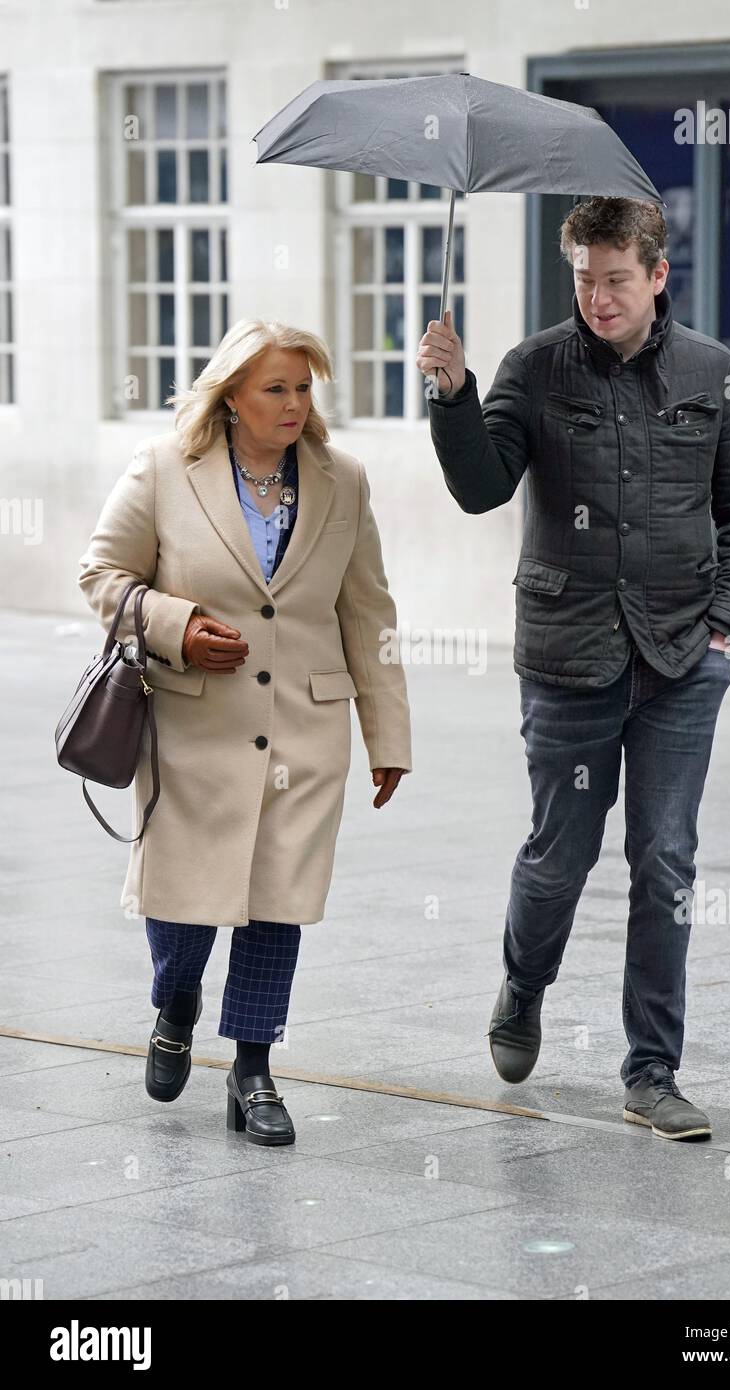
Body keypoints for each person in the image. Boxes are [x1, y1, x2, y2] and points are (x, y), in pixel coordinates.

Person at [417, 197, 730, 1140]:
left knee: (665, 861)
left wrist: (727, 627)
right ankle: (523, 983)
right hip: (568, 653)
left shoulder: (714, 373)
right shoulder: (533, 367)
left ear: (657, 275)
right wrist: (450, 397)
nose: (598, 297)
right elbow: (479, 485)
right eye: (583, 279)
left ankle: (650, 1069)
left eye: (615, 280)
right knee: (558, 856)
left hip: (680, 660)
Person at [78, 318, 411, 1147]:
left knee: (275, 906)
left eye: (304, 387)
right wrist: (175, 624)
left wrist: (388, 734)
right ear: (231, 396)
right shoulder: (163, 469)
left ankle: (254, 1071)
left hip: (306, 728)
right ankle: (175, 1003)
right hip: (192, 724)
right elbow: (102, 575)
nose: (295, 403)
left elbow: (368, 610)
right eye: (277, 388)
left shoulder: (343, 480)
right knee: (183, 900)